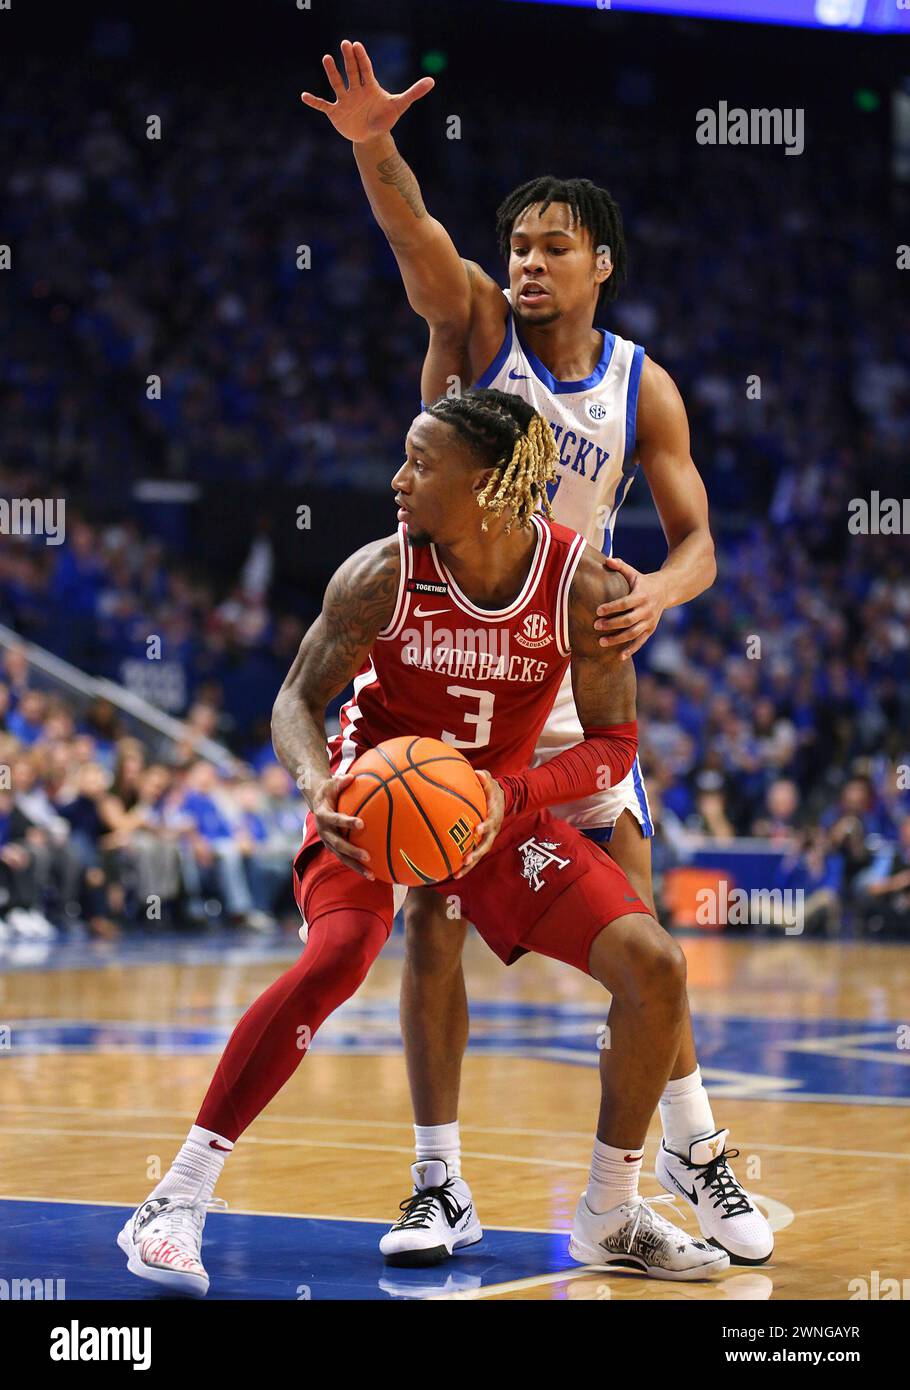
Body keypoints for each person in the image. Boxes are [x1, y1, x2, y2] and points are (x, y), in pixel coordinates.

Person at [302, 40, 771, 1267]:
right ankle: (437, 1181)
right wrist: (372, 144)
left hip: (570, 666)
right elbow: (415, 237)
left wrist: (660, 592)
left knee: (642, 934)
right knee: (433, 913)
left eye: (553, 244)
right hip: (455, 647)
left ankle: (682, 1154)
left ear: (600, 265)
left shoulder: (641, 387)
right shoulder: (468, 332)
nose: (525, 261)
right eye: (517, 244)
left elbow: (700, 539)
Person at [117, 391, 745, 1296]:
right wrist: (314, 784)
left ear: (491, 485)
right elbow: (296, 700)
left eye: (419, 463)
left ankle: (611, 1208)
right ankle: (175, 1199)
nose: (396, 479)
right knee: (338, 957)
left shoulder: (584, 587)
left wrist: (511, 792)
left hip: (491, 807)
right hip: (372, 793)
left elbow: (614, 743)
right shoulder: (381, 574)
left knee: (655, 965)